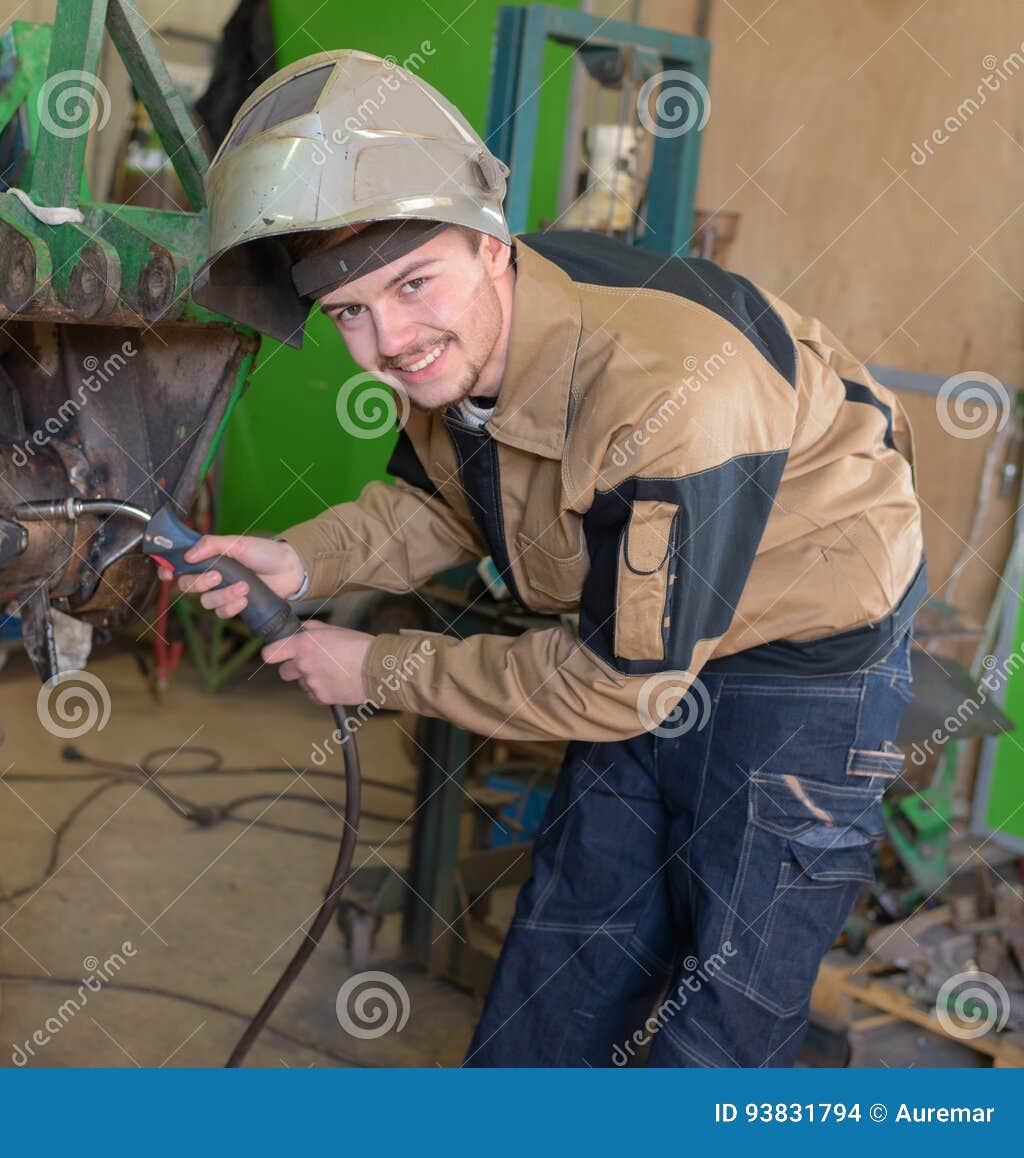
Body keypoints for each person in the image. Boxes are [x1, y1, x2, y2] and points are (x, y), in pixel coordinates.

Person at [184, 49, 924, 1067]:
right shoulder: (466, 343)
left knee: (723, 1019)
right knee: (566, 958)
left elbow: (618, 688)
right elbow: (441, 506)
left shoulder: (671, 399)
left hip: (801, 661)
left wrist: (373, 670)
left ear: (493, 247)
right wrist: (299, 561)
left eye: (410, 284)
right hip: (633, 640)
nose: (386, 341)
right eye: (348, 312)